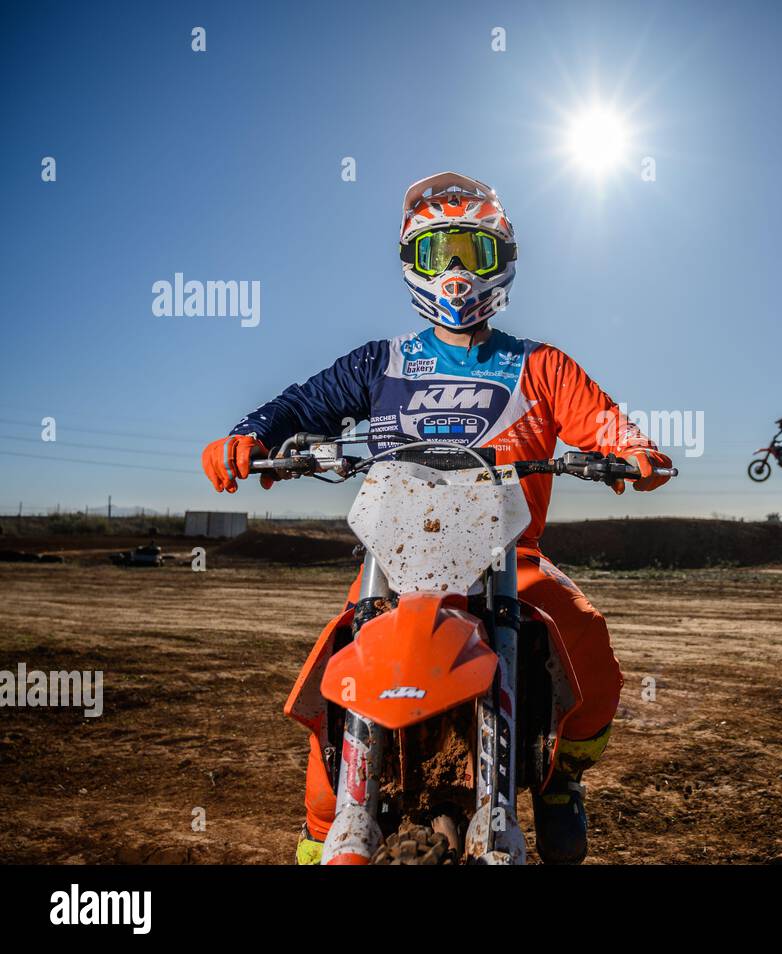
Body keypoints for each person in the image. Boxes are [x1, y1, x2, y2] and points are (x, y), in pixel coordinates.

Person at [199, 172, 674, 862]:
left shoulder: (539, 365)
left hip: (513, 560)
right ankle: (319, 833)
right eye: (435, 254)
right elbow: (301, 404)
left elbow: (598, 417)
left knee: (586, 635)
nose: (454, 273)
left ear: (502, 261)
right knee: (336, 666)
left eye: (471, 253)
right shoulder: (380, 362)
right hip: (396, 566)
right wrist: (251, 434)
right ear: (410, 264)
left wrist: (629, 448)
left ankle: (562, 777)